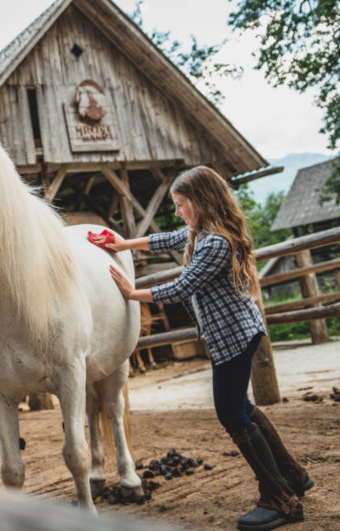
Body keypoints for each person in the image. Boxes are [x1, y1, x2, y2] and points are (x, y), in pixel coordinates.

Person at [90, 166, 313, 531]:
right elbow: (168, 240)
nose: (178, 211)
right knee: (241, 408)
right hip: (235, 335)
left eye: (181, 204)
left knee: (232, 415)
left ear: (200, 201)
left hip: (234, 338)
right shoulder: (202, 230)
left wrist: (132, 294)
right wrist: (123, 244)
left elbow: (182, 286)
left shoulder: (215, 243)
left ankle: (279, 499)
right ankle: (293, 476)